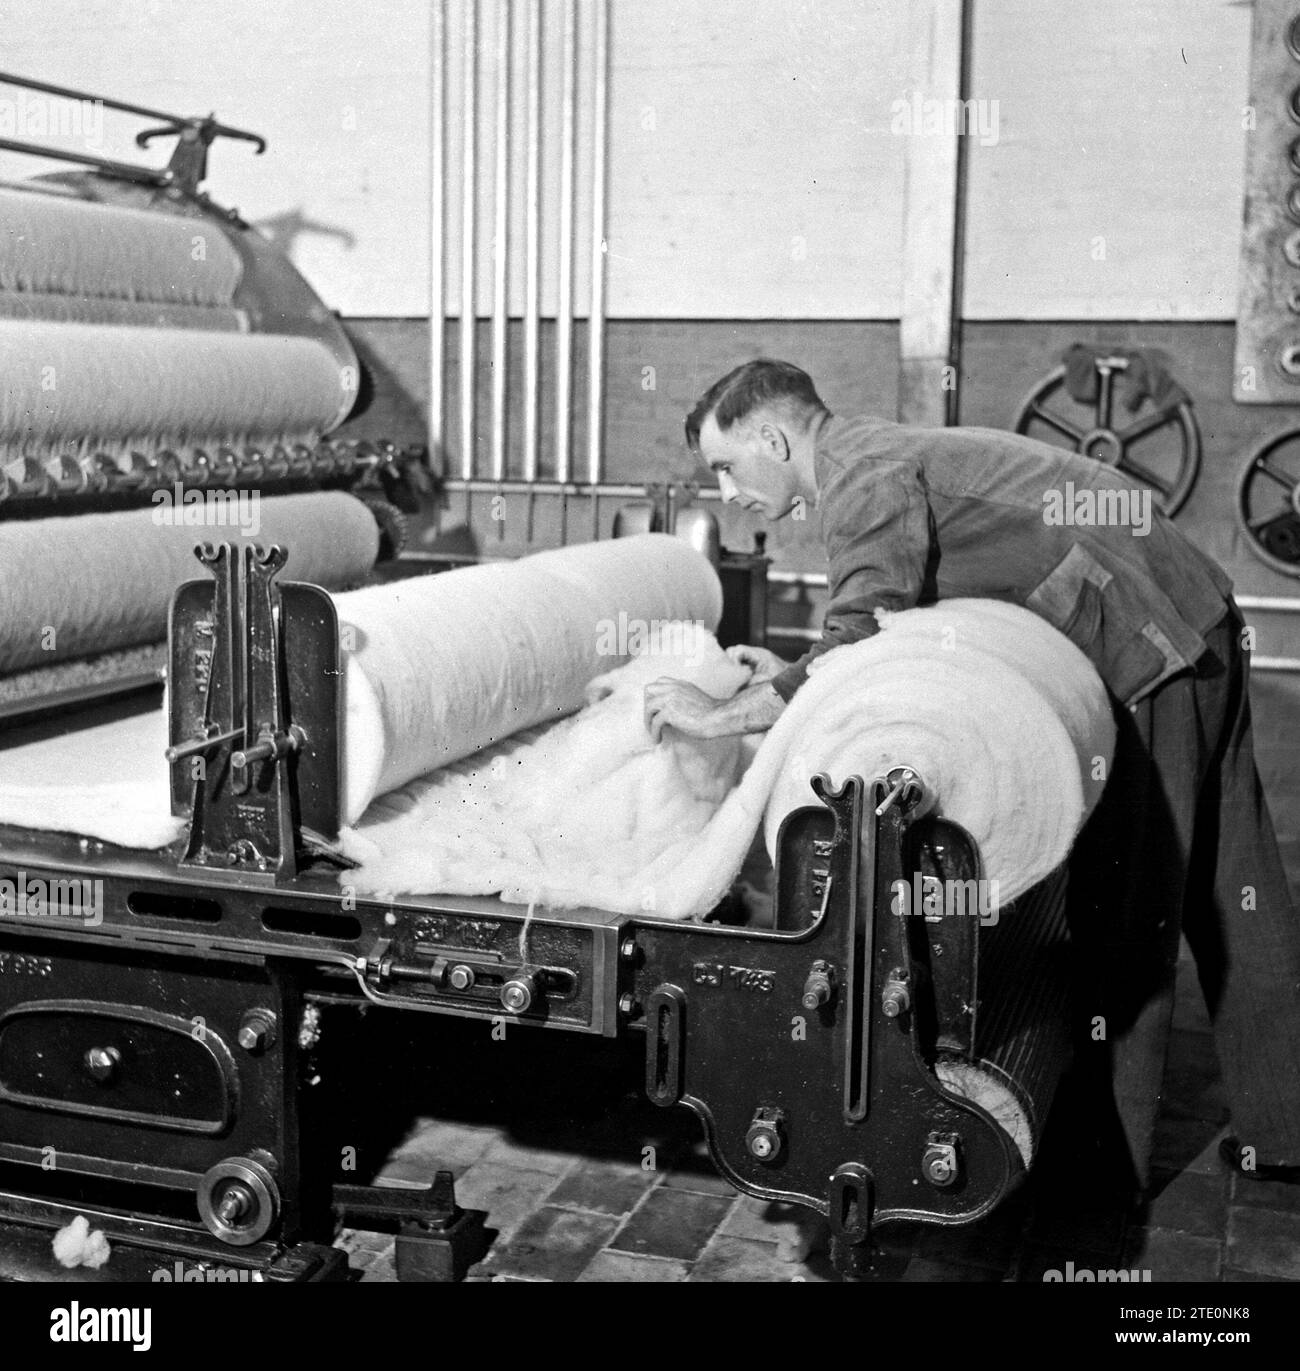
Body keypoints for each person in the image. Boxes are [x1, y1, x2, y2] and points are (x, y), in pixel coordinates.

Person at [644, 357, 1300, 1192]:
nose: (727, 493)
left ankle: (1099, 1180)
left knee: (1131, 909)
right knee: (1232, 877)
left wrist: (715, 713)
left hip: (1155, 639)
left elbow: (856, 639)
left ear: (773, 437)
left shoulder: (862, 474)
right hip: (1195, 611)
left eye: (727, 468)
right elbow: (878, 620)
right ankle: (1285, 1125)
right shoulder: (873, 453)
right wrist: (785, 668)